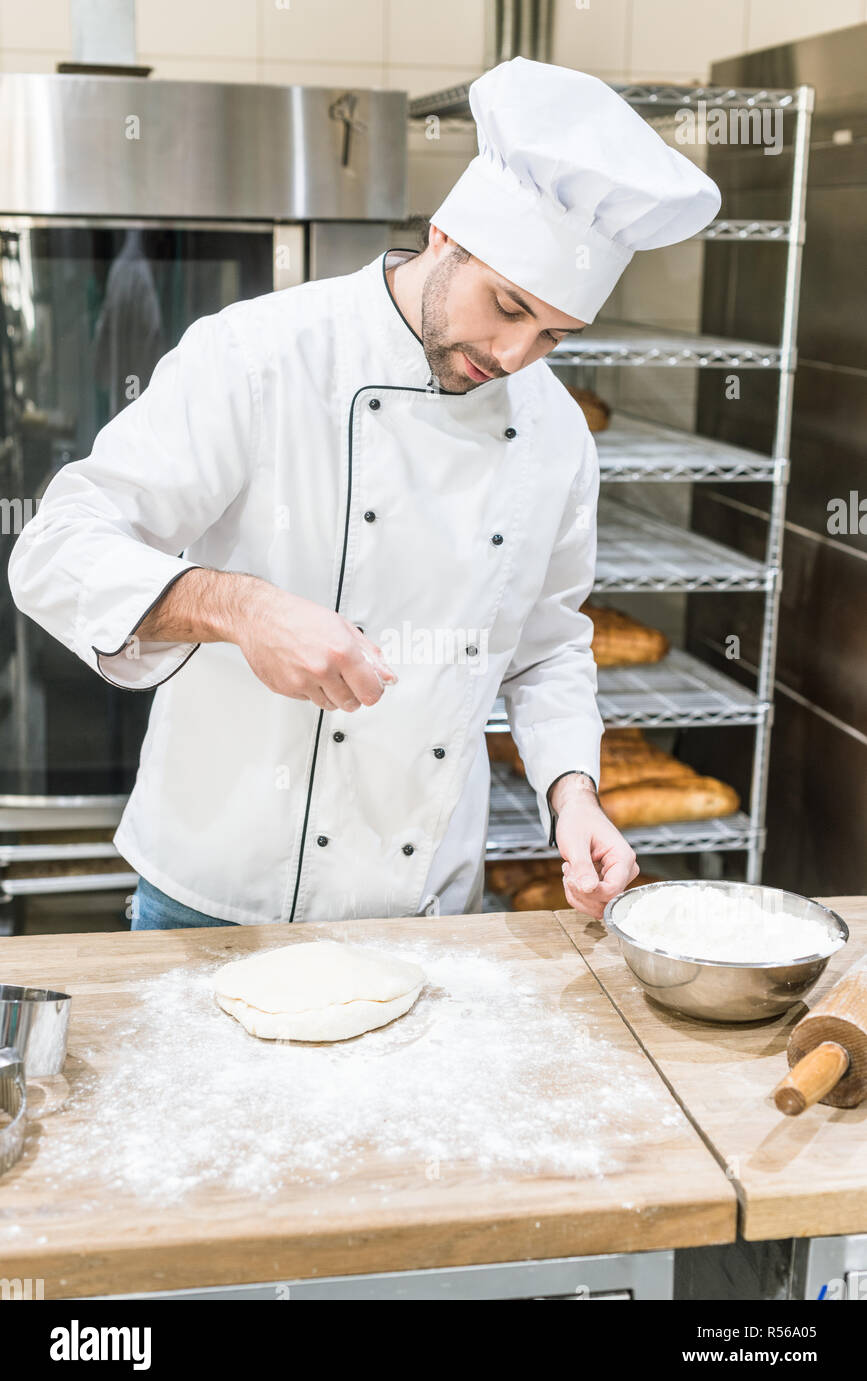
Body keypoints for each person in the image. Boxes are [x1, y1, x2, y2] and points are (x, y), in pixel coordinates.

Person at [8, 59, 720, 930]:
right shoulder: (261, 353)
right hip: (216, 889)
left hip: (418, 903)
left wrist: (573, 794)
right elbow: (55, 548)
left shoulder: (555, 429)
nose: (512, 355)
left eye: (554, 335)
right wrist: (240, 607)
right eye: (504, 305)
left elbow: (548, 645)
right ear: (444, 236)